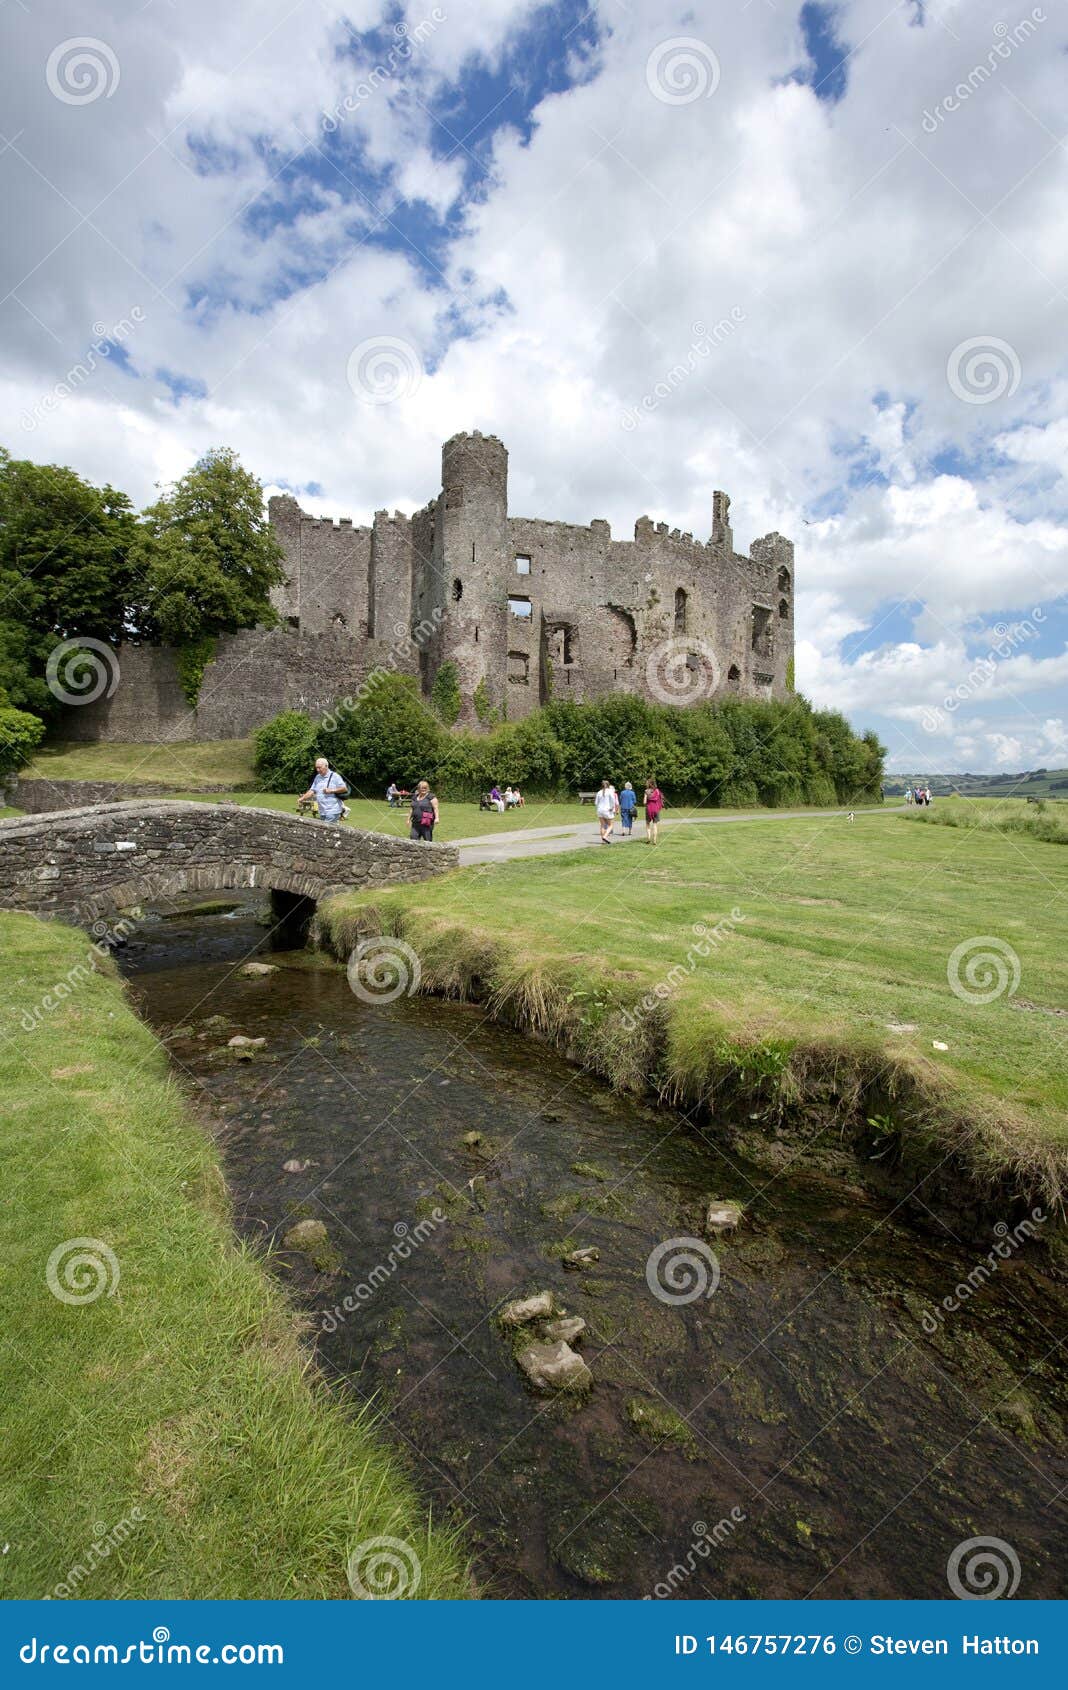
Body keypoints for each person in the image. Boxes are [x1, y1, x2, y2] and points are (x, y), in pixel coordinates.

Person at [300, 756, 349, 824]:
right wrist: (302, 798)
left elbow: (344, 788)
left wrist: (331, 790)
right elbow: (312, 790)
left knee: (325, 830)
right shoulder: (317, 777)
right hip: (322, 811)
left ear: (326, 766)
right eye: (316, 767)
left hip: (332, 810)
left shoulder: (335, 776)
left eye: (319, 767)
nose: (317, 770)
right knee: (327, 831)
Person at [595, 777, 618, 843]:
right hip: (607, 810)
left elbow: (596, 803)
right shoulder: (610, 791)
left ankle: (603, 840)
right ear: (608, 785)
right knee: (611, 825)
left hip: (599, 810)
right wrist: (612, 807)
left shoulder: (599, 792)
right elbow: (613, 801)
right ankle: (605, 836)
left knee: (602, 825)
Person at [643, 779, 664, 844]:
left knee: (647, 824)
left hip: (649, 808)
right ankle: (654, 840)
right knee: (655, 824)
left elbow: (644, 802)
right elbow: (660, 799)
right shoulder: (657, 791)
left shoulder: (646, 791)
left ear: (648, 784)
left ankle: (648, 838)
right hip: (656, 808)